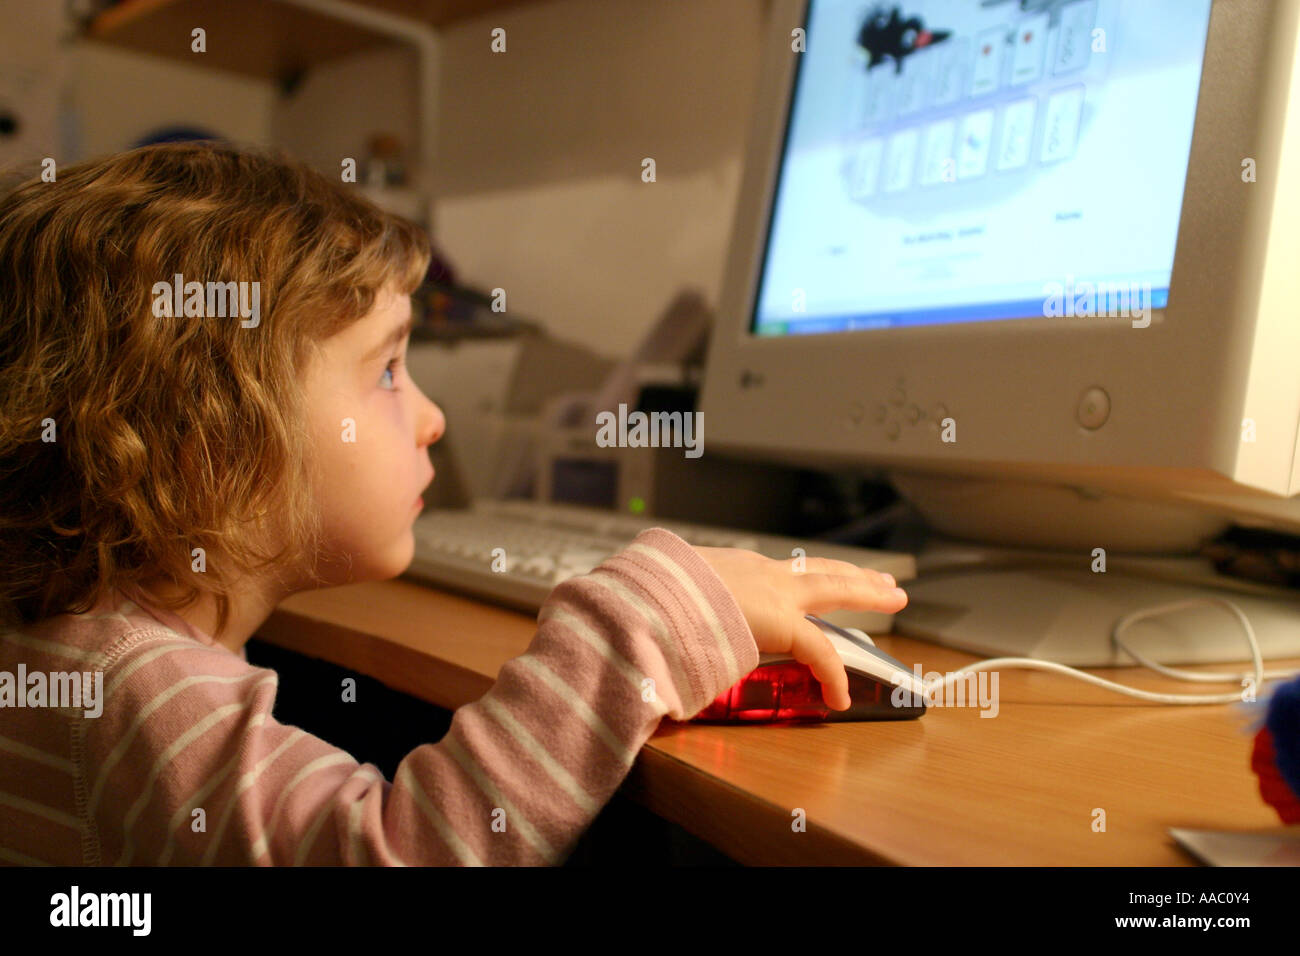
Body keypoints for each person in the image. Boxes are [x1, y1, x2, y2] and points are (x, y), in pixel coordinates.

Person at [0, 142, 908, 865]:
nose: (432, 417)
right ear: (208, 439)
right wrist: (641, 620)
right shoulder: (134, 694)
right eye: (389, 370)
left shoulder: (72, 642)